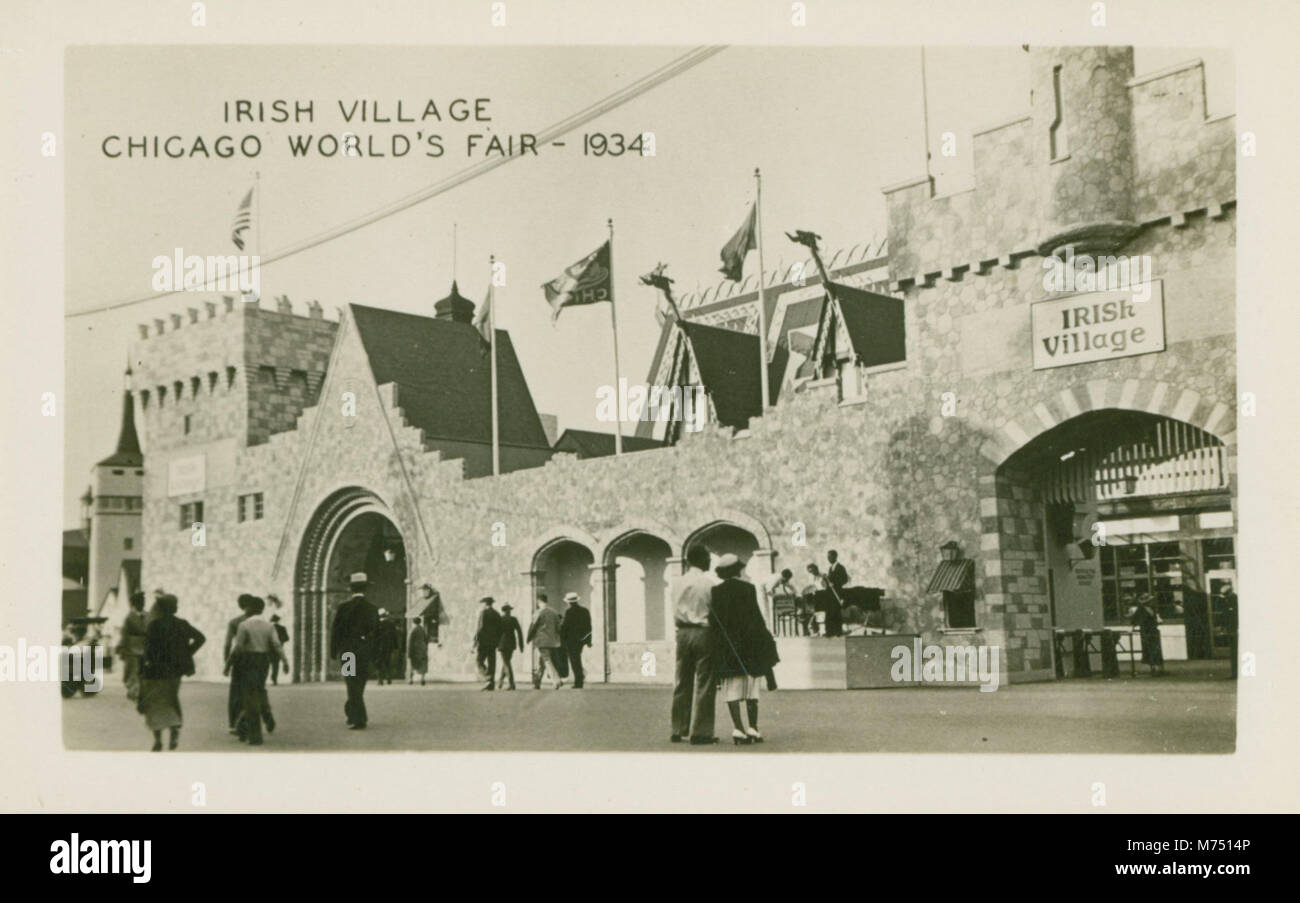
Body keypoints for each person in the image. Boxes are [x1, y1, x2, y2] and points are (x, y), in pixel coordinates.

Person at [710, 554, 779, 745]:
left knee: (731, 689)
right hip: (749, 646)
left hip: (727, 648)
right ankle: (753, 728)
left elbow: (714, 624)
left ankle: (738, 729)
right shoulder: (747, 588)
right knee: (751, 690)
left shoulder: (715, 591)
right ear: (737, 570)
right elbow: (756, 618)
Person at [137, 593, 205, 751]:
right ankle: (174, 730)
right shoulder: (182, 624)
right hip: (175, 670)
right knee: (172, 699)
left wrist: (142, 668)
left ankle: (158, 739)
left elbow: (147, 650)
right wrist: (187, 653)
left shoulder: (154, 625)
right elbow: (201, 638)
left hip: (156, 669)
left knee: (155, 703)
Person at [671, 544, 720, 745]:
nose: (710, 560)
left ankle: (678, 728)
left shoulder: (677, 582)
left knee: (682, 680)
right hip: (703, 631)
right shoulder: (709, 584)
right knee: (705, 681)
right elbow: (714, 611)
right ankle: (701, 732)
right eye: (708, 557)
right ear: (701, 559)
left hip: (682, 632)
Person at [231, 596, 289, 746]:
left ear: (250, 609)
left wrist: (228, 664)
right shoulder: (269, 626)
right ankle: (250, 723)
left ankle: (252, 733)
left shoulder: (243, 625)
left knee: (249, 696)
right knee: (258, 690)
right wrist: (285, 661)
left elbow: (238, 647)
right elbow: (277, 645)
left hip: (248, 661)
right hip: (263, 661)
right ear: (262, 609)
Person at [330, 572, 380, 729]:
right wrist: (374, 652)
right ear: (365, 589)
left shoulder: (343, 608)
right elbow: (376, 633)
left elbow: (336, 630)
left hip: (347, 652)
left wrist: (334, 650)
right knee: (360, 682)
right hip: (363, 651)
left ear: (351, 589)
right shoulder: (372, 609)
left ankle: (356, 715)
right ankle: (355, 714)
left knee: (350, 682)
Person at [223, 594, 255, 734]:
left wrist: (227, 662)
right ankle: (249, 721)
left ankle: (235, 723)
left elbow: (228, 644)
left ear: (240, 605)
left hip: (240, 659)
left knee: (236, 692)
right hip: (256, 659)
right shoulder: (261, 622)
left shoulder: (235, 622)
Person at [114, 591, 149, 700]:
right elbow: (124, 633)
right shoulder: (129, 617)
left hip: (145, 646)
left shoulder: (147, 615)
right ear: (135, 603)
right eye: (140, 602)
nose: (142, 604)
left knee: (144, 670)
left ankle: (141, 690)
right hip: (132, 646)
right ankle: (134, 691)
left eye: (143, 602)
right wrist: (121, 647)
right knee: (132, 670)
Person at [527, 595, 566, 689]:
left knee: (546, 660)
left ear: (539, 601)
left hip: (542, 640)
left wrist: (529, 638)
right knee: (542, 661)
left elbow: (533, 626)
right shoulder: (554, 612)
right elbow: (559, 627)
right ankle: (537, 682)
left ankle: (556, 680)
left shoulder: (539, 612)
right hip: (553, 641)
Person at [560, 592, 592, 689]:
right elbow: (589, 627)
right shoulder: (585, 611)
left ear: (569, 602)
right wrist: (588, 640)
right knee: (577, 658)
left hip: (571, 640)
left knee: (574, 661)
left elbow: (565, 627)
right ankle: (580, 678)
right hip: (581, 640)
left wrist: (562, 639)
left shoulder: (569, 612)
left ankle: (579, 681)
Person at [1130, 593, 1164, 676]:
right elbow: (1133, 620)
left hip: (1154, 631)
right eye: (1149, 601)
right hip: (1146, 632)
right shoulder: (1140, 610)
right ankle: (1152, 667)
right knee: (1149, 649)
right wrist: (1138, 624)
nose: (1151, 602)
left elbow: (1155, 618)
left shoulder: (1152, 609)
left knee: (1156, 649)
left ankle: (1157, 667)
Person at [474, 597, 503, 691]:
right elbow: (500, 630)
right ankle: (491, 684)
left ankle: (488, 678)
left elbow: (480, 628)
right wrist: (497, 641)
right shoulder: (497, 614)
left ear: (485, 604)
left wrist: (475, 641)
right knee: (492, 662)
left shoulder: (483, 613)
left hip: (483, 642)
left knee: (479, 661)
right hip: (493, 642)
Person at [496, 604, 524, 690]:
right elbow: (519, 632)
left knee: (506, 662)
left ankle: (511, 684)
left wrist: (495, 643)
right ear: (508, 611)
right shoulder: (513, 619)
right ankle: (500, 681)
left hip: (502, 644)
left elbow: (496, 633)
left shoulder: (500, 619)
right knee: (506, 662)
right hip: (511, 644)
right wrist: (521, 645)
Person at [763, 569, 798, 635]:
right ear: (784, 577)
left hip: (768, 591)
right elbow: (768, 591)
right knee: (765, 610)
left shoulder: (783, 578)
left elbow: (790, 586)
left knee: (770, 609)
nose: (787, 581)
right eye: (787, 579)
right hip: (762, 590)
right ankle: (768, 631)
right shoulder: (775, 579)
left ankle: (771, 631)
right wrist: (777, 596)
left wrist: (795, 593)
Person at [373, 609, 398, 686]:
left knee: (379, 663)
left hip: (379, 647)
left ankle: (380, 680)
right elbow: (394, 636)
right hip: (388, 647)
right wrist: (395, 646)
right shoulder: (391, 624)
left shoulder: (376, 624)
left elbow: (374, 637)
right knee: (388, 662)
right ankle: (388, 678)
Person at [269, 614, 290, 685]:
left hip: (268, 648)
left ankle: (269, 677)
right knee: (275, 664)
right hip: (278, 648)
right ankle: (274, 679)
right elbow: (287, 638)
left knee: (266, 663)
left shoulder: (268, 628)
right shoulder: (282, 628)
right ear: (278, 620)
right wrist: (281, 641)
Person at [408, 616, 429, 685]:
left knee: (412, 664)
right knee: (423, 664)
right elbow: (426, 639)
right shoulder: (423, 629)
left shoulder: (413, 630)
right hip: (422, 649)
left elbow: (410, 641)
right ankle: (422, 679)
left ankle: (411, 679)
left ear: (413, 622)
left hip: (415, 649)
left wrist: (409, 652)